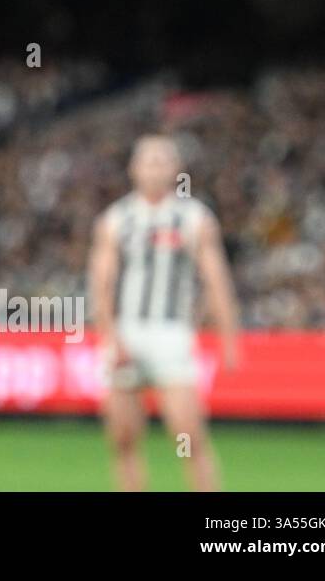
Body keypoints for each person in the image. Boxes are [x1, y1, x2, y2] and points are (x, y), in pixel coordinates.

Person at [88, 134, 241, 491]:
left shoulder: (195, 218)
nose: (155, 168)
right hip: (127, 332)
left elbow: (216, 280)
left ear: (176, 169)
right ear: (133, 168)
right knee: (123, 439)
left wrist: (229, 339)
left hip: (171, 335)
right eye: (148, 161)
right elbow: (102, 285)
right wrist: (111, 338)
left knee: (190, 438)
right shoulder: (115, 219)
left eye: (162, 161)